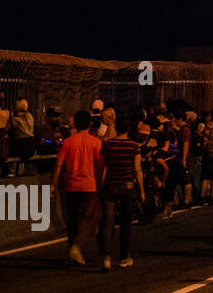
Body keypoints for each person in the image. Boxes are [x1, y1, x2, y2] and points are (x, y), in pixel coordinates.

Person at [51, 109, 103, 265]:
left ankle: (72, 251)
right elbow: (100, 166)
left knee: (72, 220)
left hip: (70, 185)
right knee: (90, 220)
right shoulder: (96, 142)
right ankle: (76, 247)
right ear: (90, 124)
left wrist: (53, 185)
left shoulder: (68, 142)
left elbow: (58, 166)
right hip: (88, 185)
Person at [98, 109, 145, 270]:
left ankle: (106, 257)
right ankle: (124, 257)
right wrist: (142, 191)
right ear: (128, 129)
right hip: (127, 186)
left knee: (108, 222)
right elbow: (137, 170)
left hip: (110, 185)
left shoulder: (108, 145)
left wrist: (101, 185)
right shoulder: (134, 146)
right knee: (126, 222)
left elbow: (104, 167)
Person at [8, 98, 37, 173]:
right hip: (31, 146)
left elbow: (10, 130)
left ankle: (9, 170)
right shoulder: (30, 116)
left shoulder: (14, 119)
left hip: (21, 146)